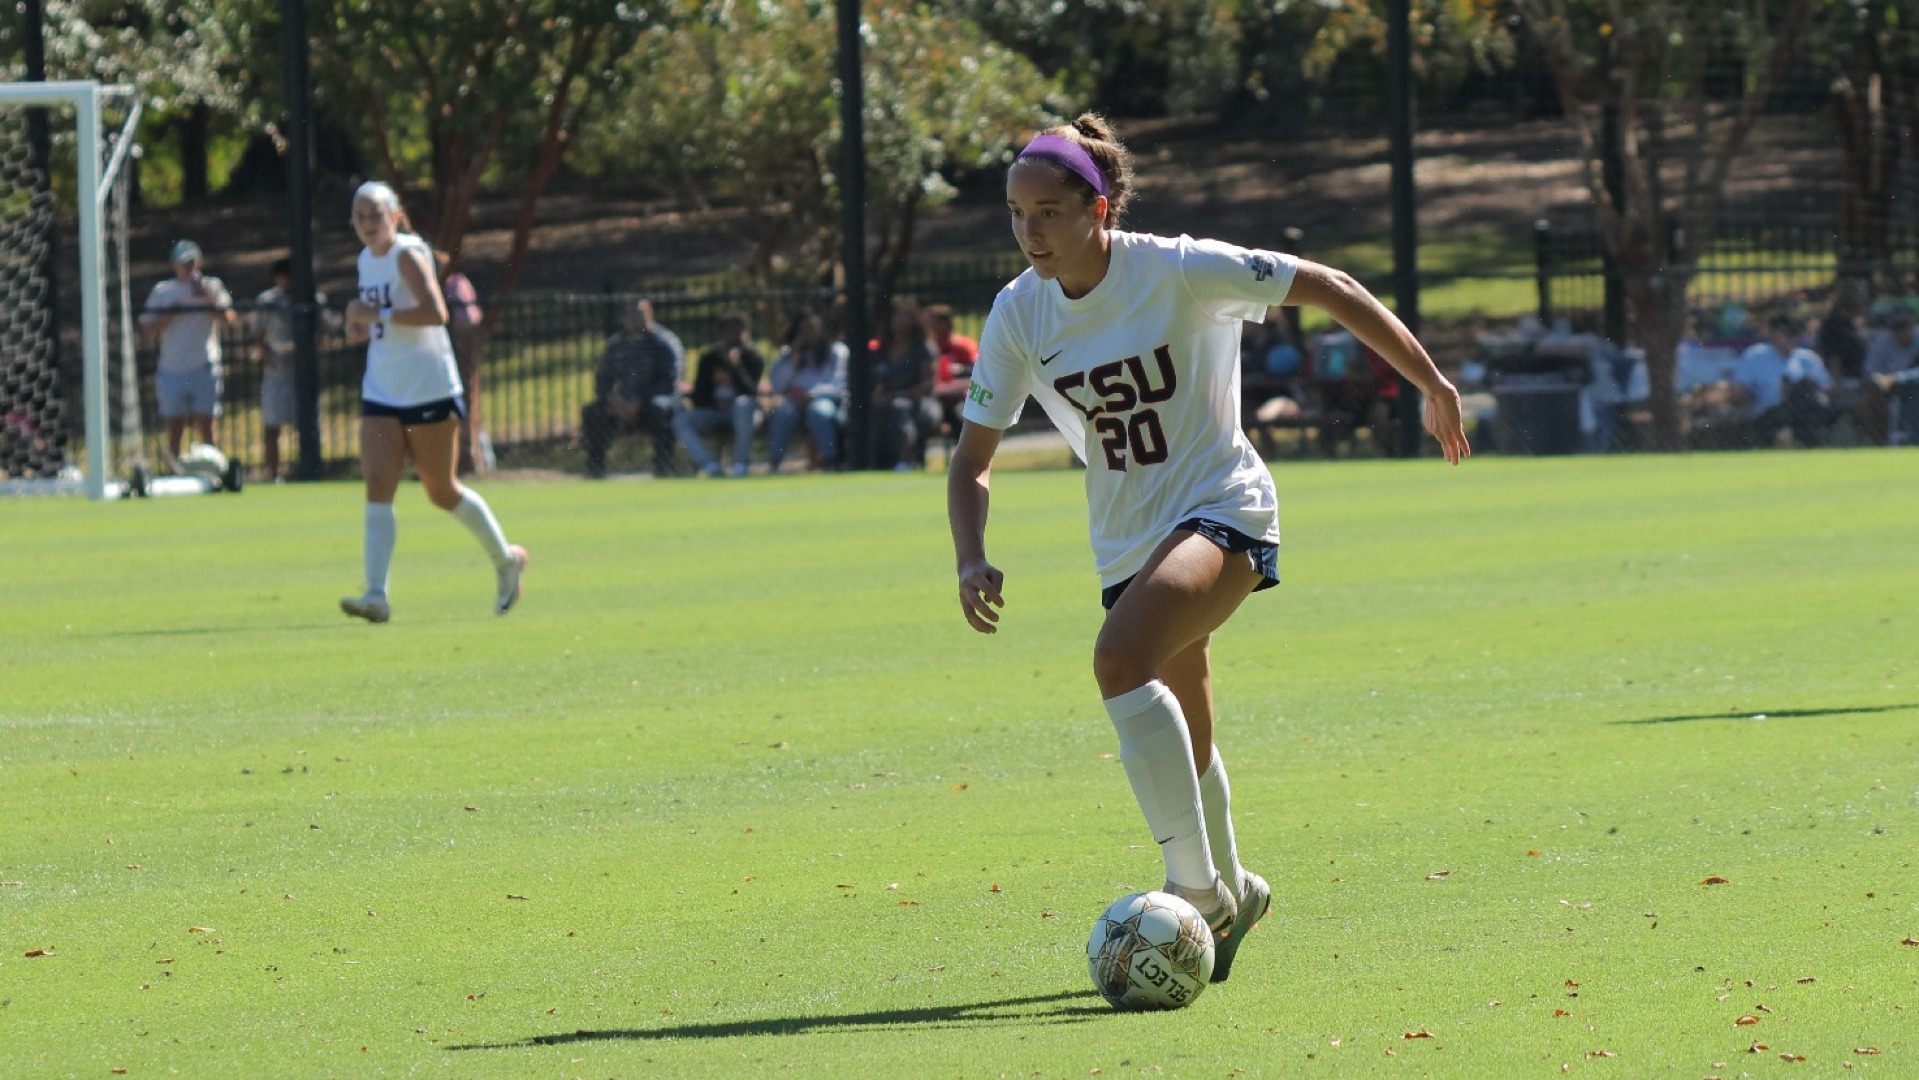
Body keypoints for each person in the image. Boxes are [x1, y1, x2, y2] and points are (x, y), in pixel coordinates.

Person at [947, 115, 1468, 984]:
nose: (1029, 231)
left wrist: (1431, 380)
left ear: (1097, 209)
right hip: (1127, 540)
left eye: (1048, 212)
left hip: (1224, 508)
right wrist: (970, 555)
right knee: (1183, 729)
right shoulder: (1017, 312)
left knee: (1118, 659)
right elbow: (972, 459)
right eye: (1016, 214)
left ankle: (1195, 890)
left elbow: (1329, 284)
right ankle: (1235, 888)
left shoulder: (1178, 268)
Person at [339, 181, 527, 624]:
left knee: (441, 491)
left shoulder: (407, 254)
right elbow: (377, 324)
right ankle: (376, 595)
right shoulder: (365, 259)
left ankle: (506, 561)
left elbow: (435, 312)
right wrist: (356, 325)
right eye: (360, 216)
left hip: (427, 388)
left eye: (375, 214)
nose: (367, 223)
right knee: (377, 485)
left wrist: (377, 314)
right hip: (382, 388)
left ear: (395, 216)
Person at [138, 240, 236, 465]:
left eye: (192, 262)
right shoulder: (163, 291)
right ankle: (174, 469)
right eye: (183, 263)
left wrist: (208, 298)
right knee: (175, 426)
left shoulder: (212, 286)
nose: (188, 267)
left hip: (204, 366)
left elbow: (229, 320)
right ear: (173, 264)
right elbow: (146, 331)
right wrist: (168, 316)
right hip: (172, 368)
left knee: (207, 424)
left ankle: (214, 469)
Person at [581, 298, 685, 478]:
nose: (633, 318)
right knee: (592, 412)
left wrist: (640, 401)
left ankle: (663, 467)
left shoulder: (664, 343)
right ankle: (595, 468)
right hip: (622, 405)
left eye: (638, 313)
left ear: (649, 314)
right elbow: (603, 378)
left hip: (653, 402)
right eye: (629, 314)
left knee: (660, 408)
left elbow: (668, 381)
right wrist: (613, 400)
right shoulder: (617, 344)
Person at [249, 257, 327, 482]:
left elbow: (322, 332)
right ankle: (273, 473)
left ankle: (307, 470)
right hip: (276, 372)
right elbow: (258, 335)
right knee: (272, 424)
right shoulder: (267, 300)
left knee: (306, 424)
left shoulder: (314, 298)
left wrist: (308, 353)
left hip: (303, 372)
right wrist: (268, 357)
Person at [673, 311, 766, 477]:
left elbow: (751, 391)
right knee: (681, 420)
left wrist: (736, 367)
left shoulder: (753, 357)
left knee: (743, 404)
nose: (733, 336)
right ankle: (710, 466)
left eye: (737, 331)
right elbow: (699, 396)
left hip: (744, 415)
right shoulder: (709, 358)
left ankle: (741, 465)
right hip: (714, 412)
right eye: (729, 331)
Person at [763, 309, 848, 472]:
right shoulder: (788, 354)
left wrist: (813, 395)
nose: (809, 335)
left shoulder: (837, 351)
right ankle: (774, 462)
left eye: (813, 329)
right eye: (804, 330)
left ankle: (830, 460)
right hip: (795, 403)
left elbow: (840, 384)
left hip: (826, 401)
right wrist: (794, 357)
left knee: (819, 410)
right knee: (783, 411)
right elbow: (778, 385)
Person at [1731, 313, 1834, 448]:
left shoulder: (1808, 358)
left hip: (1804, 416)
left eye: (1795, 333)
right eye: (1787, 333)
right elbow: (1740, 390)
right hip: (1768, 415)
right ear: (1772, 334)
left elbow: (1826, 387)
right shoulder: (1755, 356)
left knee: (1805, 387)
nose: (1792, 338)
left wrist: (1795, 391)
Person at [871, 298, 943, 470]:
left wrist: (897, 395)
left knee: (899, 407)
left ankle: (905, 460)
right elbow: (879, 384)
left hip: (922, 404)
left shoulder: (924, 348)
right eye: (896, 317)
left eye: (905, 317)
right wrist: (878, 397)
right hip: (888, 402)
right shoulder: (881, 351)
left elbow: (927, 385)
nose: (900, 322)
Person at [436, 251, 487, 475]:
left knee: (464, 399)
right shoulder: (454, 283)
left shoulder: (453, 284)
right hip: (457, 345)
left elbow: (465, 322)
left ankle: (468, 457)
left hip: (461, 344)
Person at [1862, 308, 1919, 445]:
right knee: (1870, 400)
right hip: (1888, 389)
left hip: (1914, 386)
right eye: (1899, 327)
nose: (1904, 331)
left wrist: (1898, 378)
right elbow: (1870, 372)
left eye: (1907, 326)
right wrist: (1881, 379)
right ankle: (1879, 444)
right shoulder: (1883, 343)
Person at [928, 303, 978, 442]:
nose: (930, 327)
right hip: (934, 399)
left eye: (934, 323)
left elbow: (977, 369)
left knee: (961, 417)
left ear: (946, 324)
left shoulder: (962, 345)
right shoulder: (926, 348)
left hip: (958, 398)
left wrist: (959, 369)